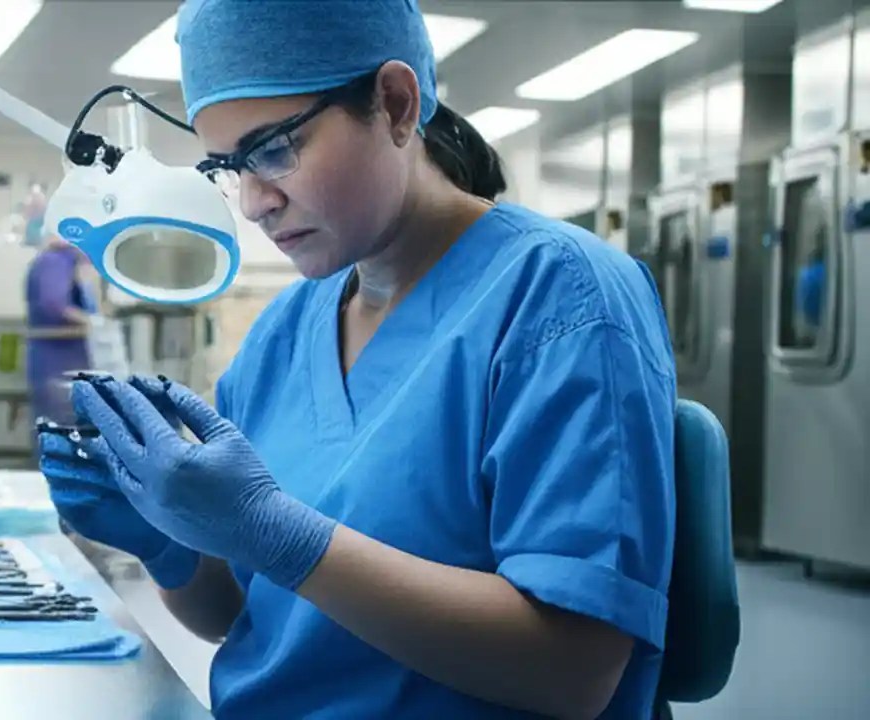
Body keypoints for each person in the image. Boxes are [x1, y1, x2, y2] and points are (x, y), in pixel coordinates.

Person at [37, 2, 677, 718]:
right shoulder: (284, 332)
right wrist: (166, 541)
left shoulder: (561, 297)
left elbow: (573, 671)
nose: (252, 202)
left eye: (274, 149)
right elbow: (235, 614)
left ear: (396, 105)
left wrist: (282, 535)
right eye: (229, 166)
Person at [22, 230, 96, 431]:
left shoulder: (66, 262)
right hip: (57, 361)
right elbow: (55, 305)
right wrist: (95, 323)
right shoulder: (56, 261)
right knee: (61, 427)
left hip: (59, 360)